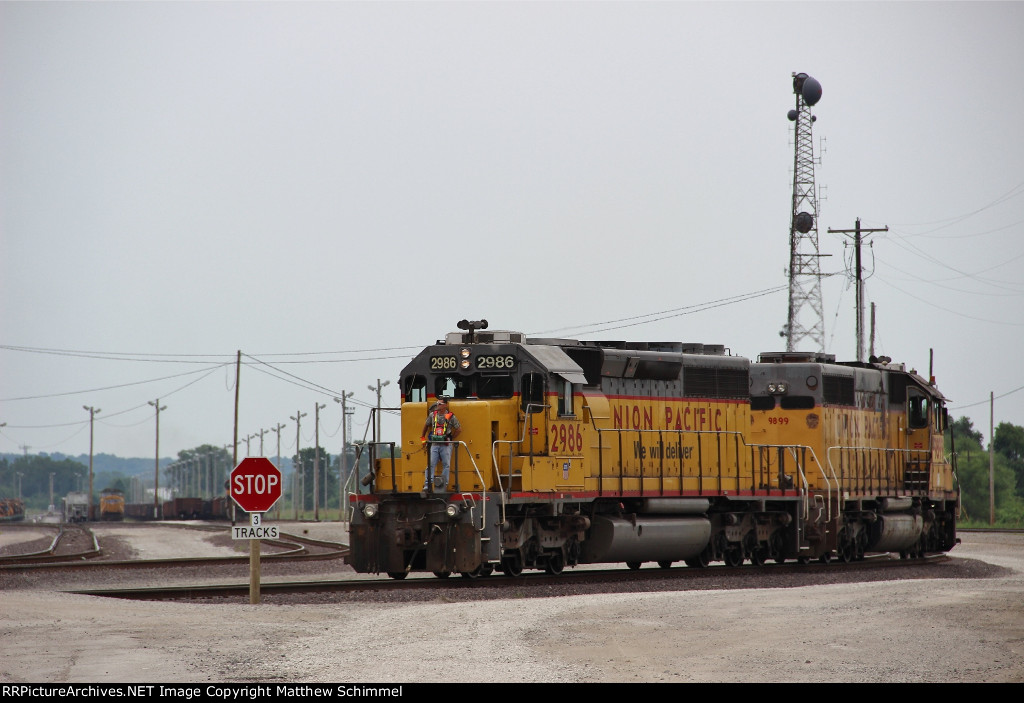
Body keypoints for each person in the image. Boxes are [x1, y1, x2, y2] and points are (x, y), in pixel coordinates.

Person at [421, 397, 461, 493]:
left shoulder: (451, 417)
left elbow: (459, 429)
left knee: (446, 465)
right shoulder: (432, 415)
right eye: (437, 403)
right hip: (434, 444)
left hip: (446, 445)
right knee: (430, 464)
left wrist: (451, 438)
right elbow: (426, 425)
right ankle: (427, 485)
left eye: (440, 403)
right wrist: (423, 439)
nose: (437, 405)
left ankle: (443, 484)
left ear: (445, 405)